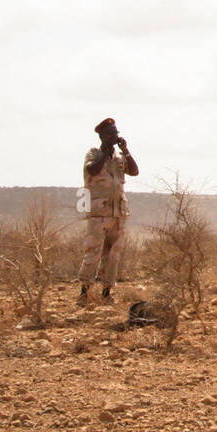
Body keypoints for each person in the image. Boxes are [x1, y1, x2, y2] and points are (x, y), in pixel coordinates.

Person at [78, 118, 138, 305]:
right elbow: (92, 171)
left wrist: (125, 151)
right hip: (99, 213)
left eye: (116, 134)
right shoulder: (94, 154)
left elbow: (134, 171)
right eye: (111, 134)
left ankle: (106, 292)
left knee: (113, 255)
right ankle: (84, 293)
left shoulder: (119, 158)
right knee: (93, 253)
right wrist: (104, 153)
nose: (115, 137)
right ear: (102, 136)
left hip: (118, 213)